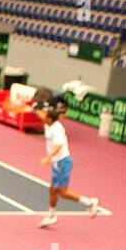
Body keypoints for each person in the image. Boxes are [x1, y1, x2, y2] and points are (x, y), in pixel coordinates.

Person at [34, 95, 100, 228]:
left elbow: (58, 146)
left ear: (48, 116)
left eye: (41, 113)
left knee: (62, 192)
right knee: (52, 189)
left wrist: (48, 157)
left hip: (63, 162)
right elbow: (42, 111)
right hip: (56, 163)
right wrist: (37, 107)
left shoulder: (57, 128)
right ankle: (51, 216)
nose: (39, 115)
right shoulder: (48, 123)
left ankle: (90, 203)